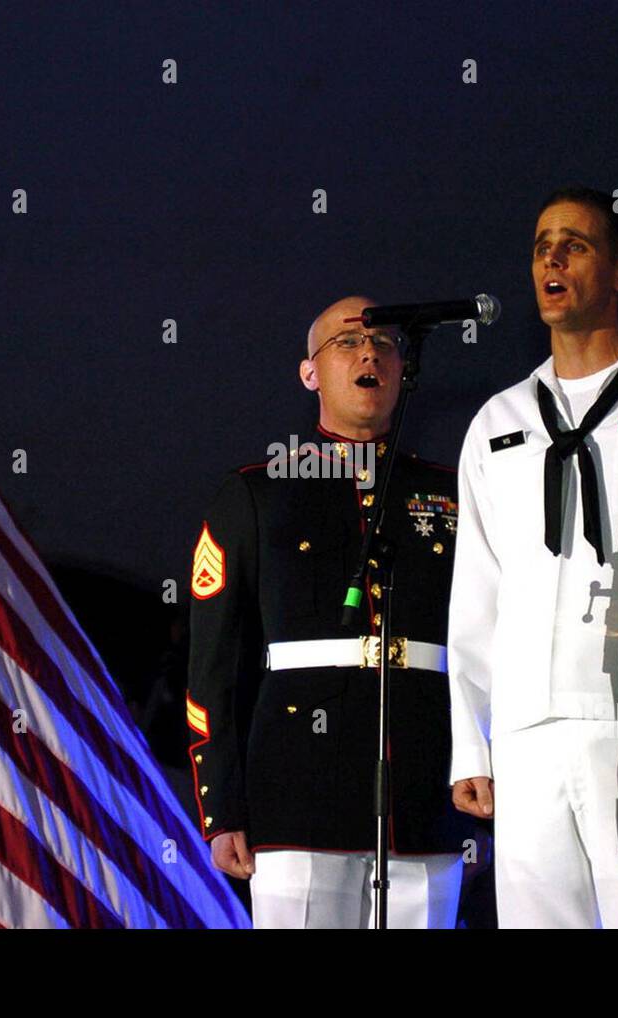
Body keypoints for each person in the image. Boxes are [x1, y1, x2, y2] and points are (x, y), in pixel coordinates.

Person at [448, 187, 618, 927]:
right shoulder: (498, 419)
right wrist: (468, 744)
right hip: (526, 732)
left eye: (574, 244)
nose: (551, 260)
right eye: (541, 246)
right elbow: (476, 591)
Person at [186, 295, 472, 928]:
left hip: (427, 786)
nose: (370, 352)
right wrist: (222, 806)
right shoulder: (256, 492)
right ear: (309, 373)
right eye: (347, 343)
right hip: (294, 790)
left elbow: (489, 643)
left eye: (387, 344)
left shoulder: (456, 491)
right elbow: (214, 665)